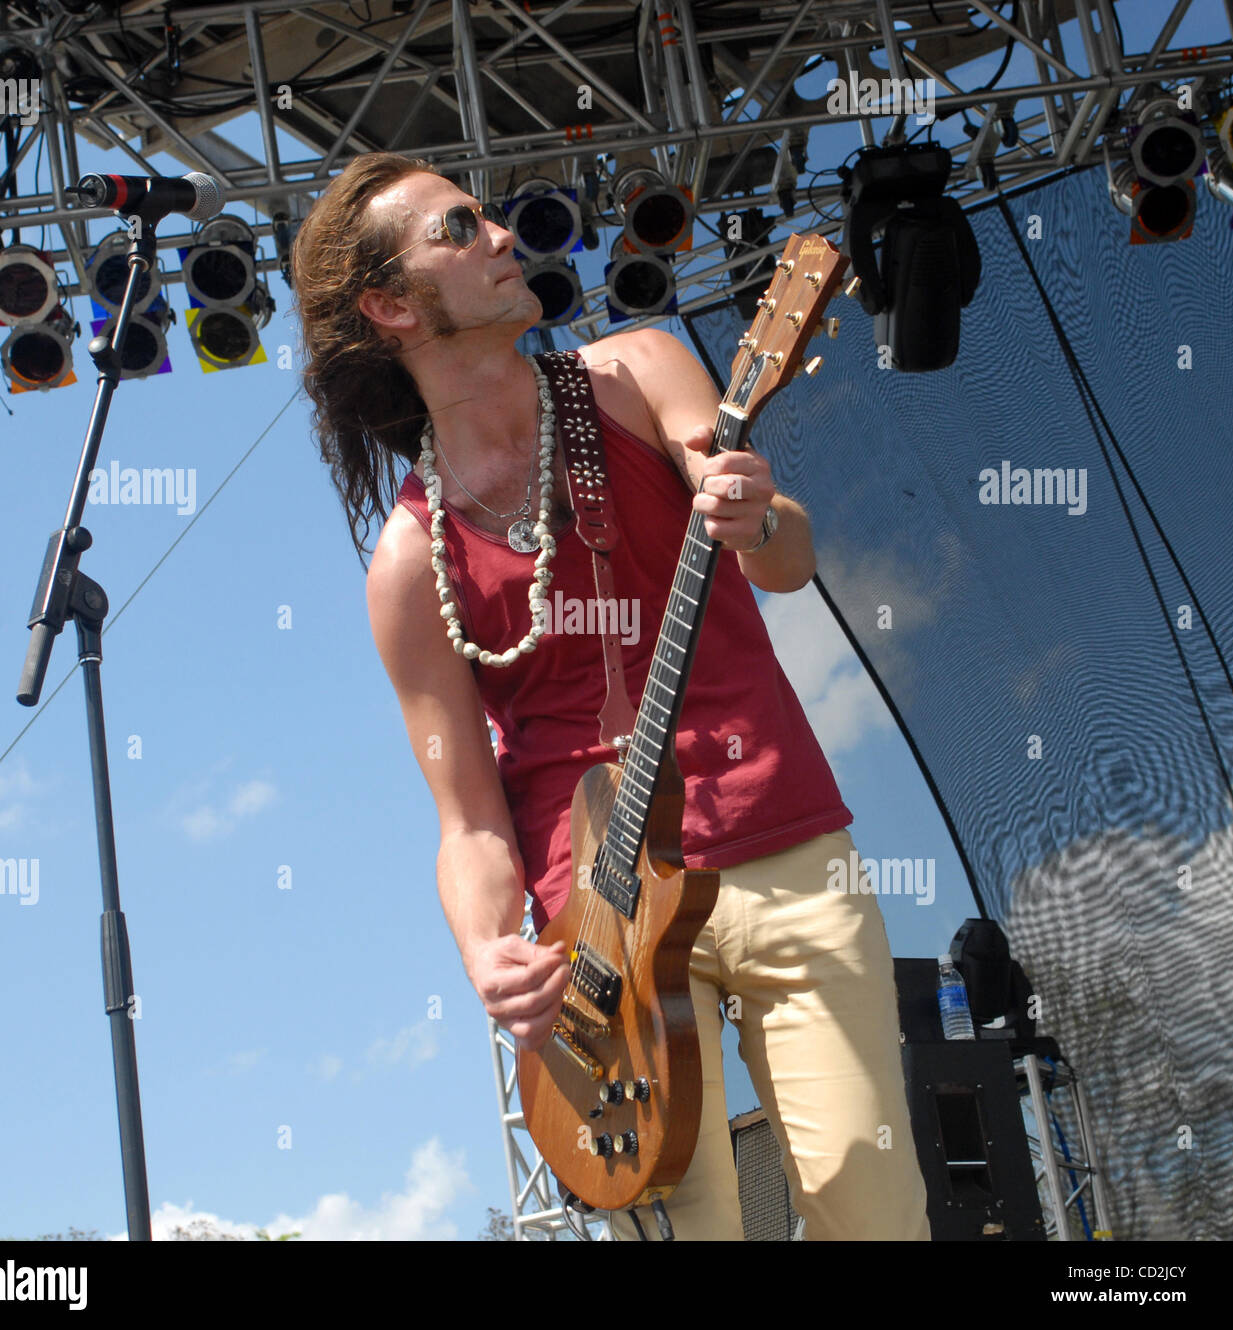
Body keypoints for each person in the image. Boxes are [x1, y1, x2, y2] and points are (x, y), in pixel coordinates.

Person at [292, 151, 931, 1242]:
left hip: (780, 847)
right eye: (458, 229)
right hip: (597, 940)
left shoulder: (636, 369)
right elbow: (468, 823)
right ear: (390, 306)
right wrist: (484, 952)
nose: (503, 236)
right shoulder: (407, 564)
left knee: (869, 1212)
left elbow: (783, 562)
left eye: (489, 215)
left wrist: (758, 515)